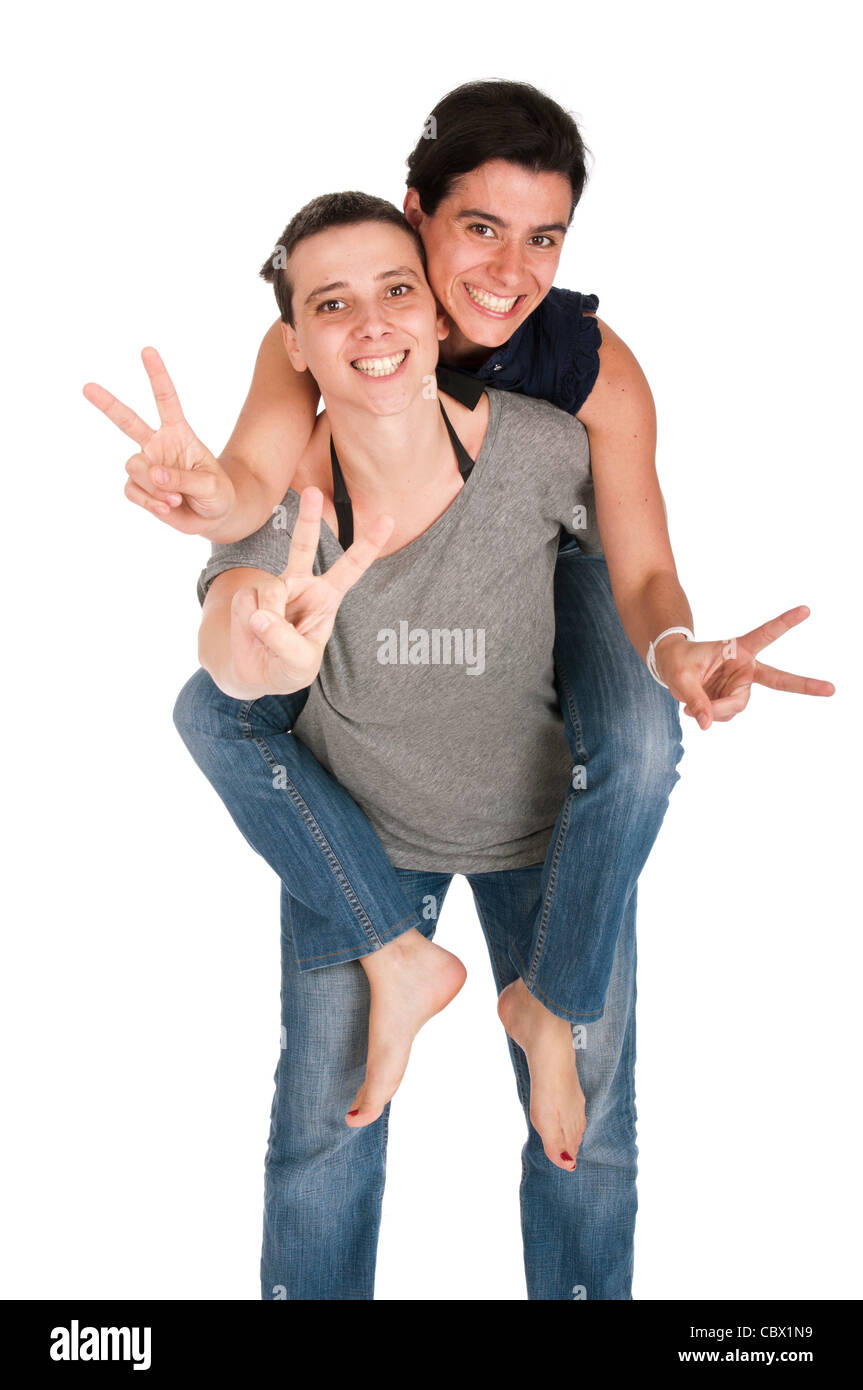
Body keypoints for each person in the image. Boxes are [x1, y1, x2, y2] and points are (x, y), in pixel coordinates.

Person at [83, 92, 833, 1301]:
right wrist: (207, 509)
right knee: (211, 709)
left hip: (573, 558)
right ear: (415, 215)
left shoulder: (577, 383)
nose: (509, 272)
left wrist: (676, 650)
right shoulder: (335, 327)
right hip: (362, 703)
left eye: (543, 239)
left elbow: (636, 566)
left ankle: (555, 1004)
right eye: (479, 230)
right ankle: (399, 949)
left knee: (639, 735)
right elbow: (247, 499)